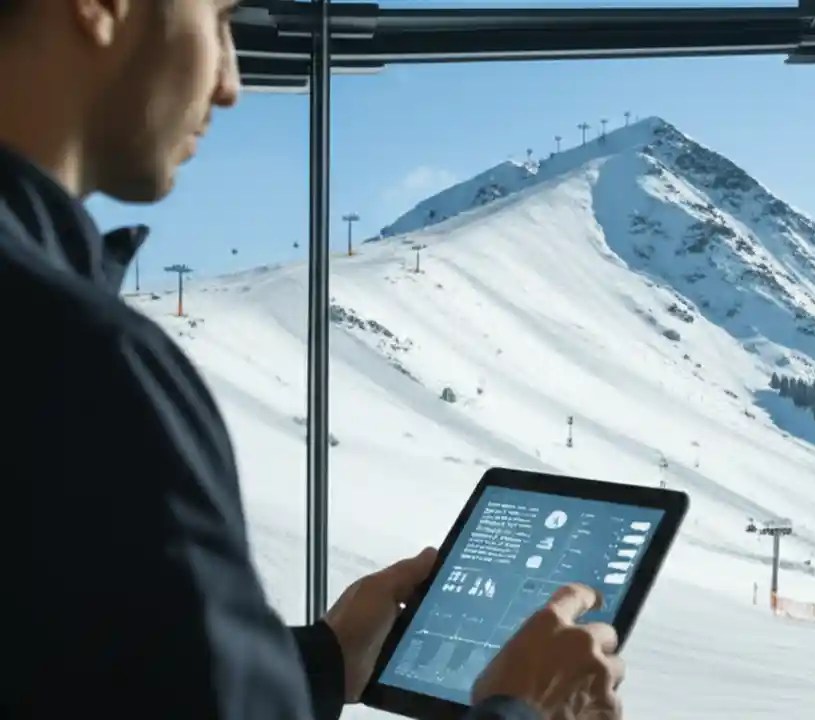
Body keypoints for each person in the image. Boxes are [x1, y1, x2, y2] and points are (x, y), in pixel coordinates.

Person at [1, 1, 624, 718]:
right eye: (221, 19)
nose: (231, 82)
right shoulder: (83, 369)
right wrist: (524, 709)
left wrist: (326, 659)